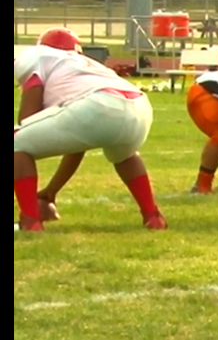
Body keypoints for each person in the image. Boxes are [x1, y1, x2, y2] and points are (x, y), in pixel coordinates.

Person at [14, 28, 167, 232]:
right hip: (138, 107)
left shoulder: (39, 56)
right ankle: (152, 216)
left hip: (97, 103)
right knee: (125, 155)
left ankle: (30, 221)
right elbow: (78, 139)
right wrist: (50, 192)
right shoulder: (87, 65)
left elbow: (26, 120)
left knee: (16, 142)